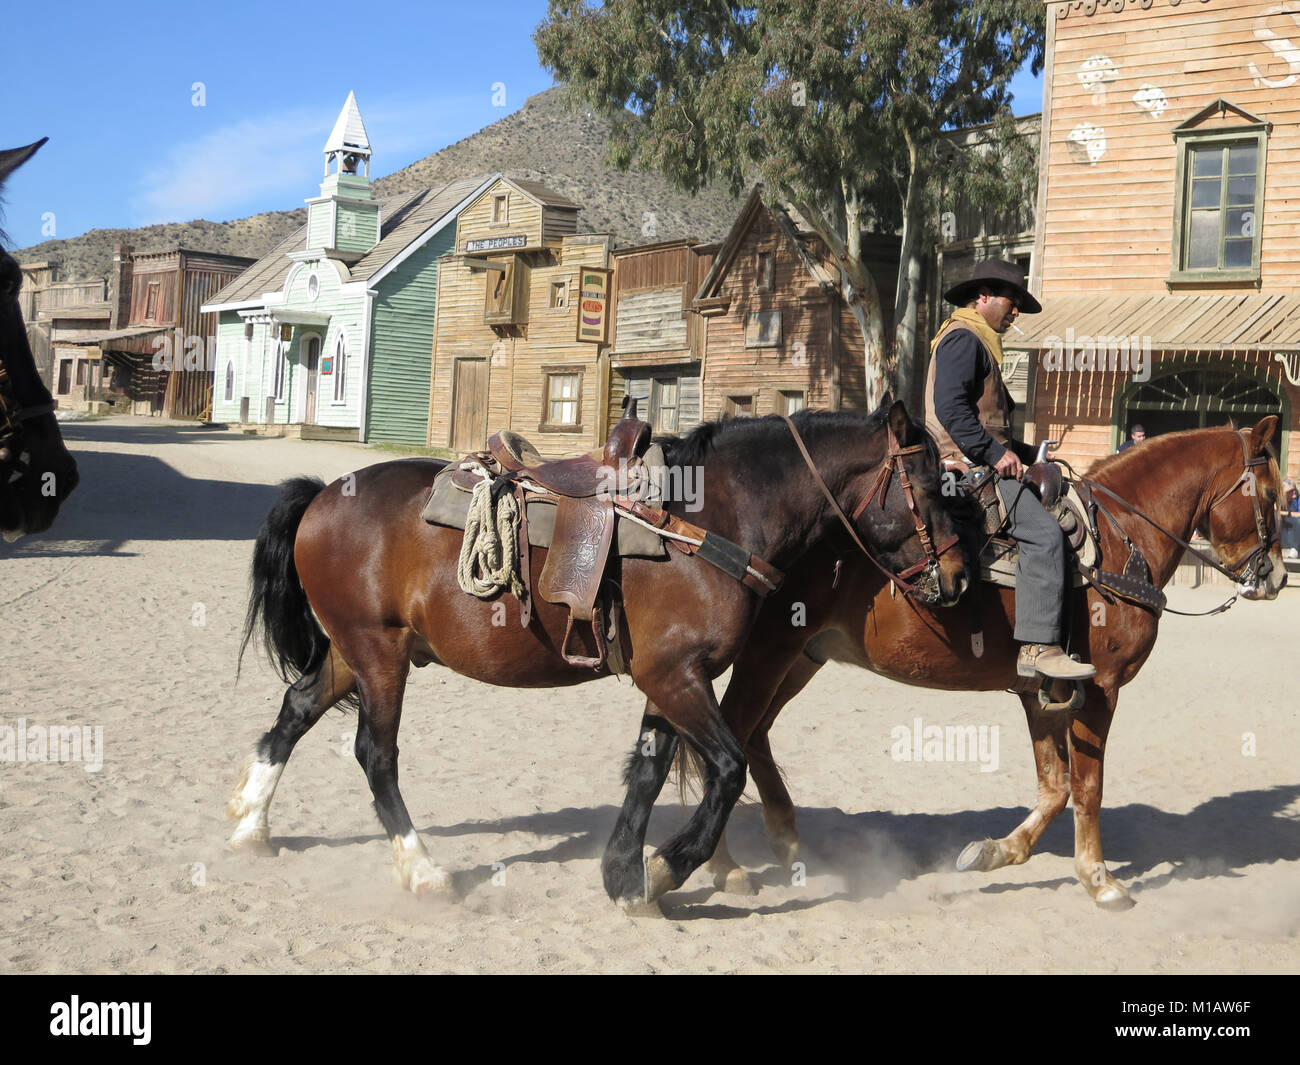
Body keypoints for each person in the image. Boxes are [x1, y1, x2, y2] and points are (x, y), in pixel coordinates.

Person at [925, 259, 1095, 682]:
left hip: (980, 457)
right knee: (1044, 534)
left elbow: (989, 425)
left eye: (1018, 302)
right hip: (964, 466)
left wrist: (1030, 452)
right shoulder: (964, 340)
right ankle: (1038, 646)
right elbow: (950, 409)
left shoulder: (978, 341)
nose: (1016, 311)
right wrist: (992, 454)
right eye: (1011, 300)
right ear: (982, 296)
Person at [1282, 479, 1300, 560]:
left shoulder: (1297, 500)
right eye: (1290, 491)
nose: (1294, 492)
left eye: (1294, 489)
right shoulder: (1280, 500)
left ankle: (1295, 549)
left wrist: (1286, 513)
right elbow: (1275, 511)